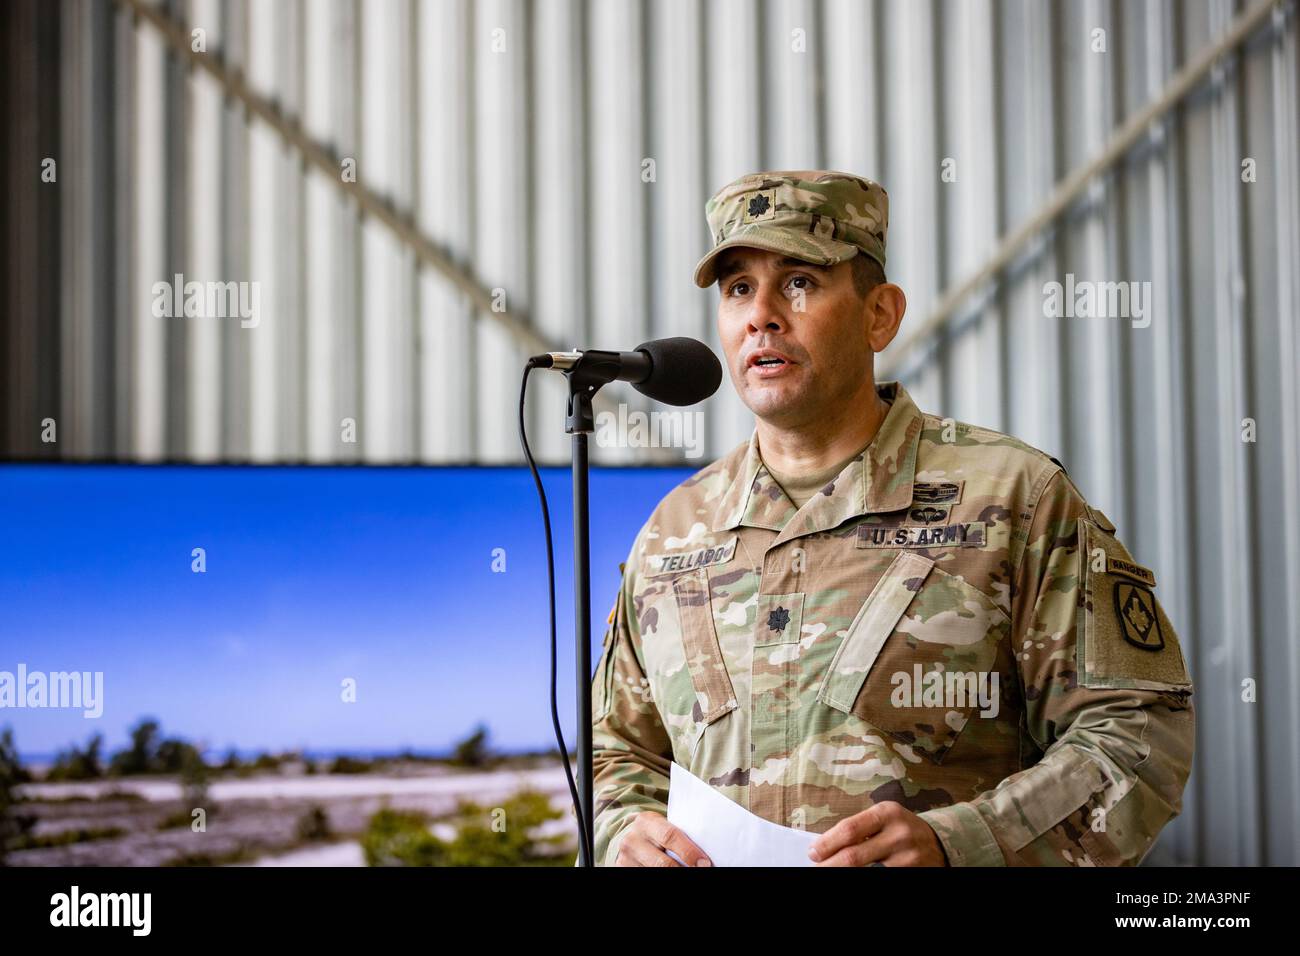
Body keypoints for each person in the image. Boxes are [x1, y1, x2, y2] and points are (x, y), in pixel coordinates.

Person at [591, 170, 1194, 867]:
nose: (761, 314)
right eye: (737, 289)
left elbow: (1138, 733)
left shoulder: (1013, 496)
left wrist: (963, 843)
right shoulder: (676, 530)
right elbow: (618, 750)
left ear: (880, 314)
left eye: (799, 283)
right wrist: (624, 832)